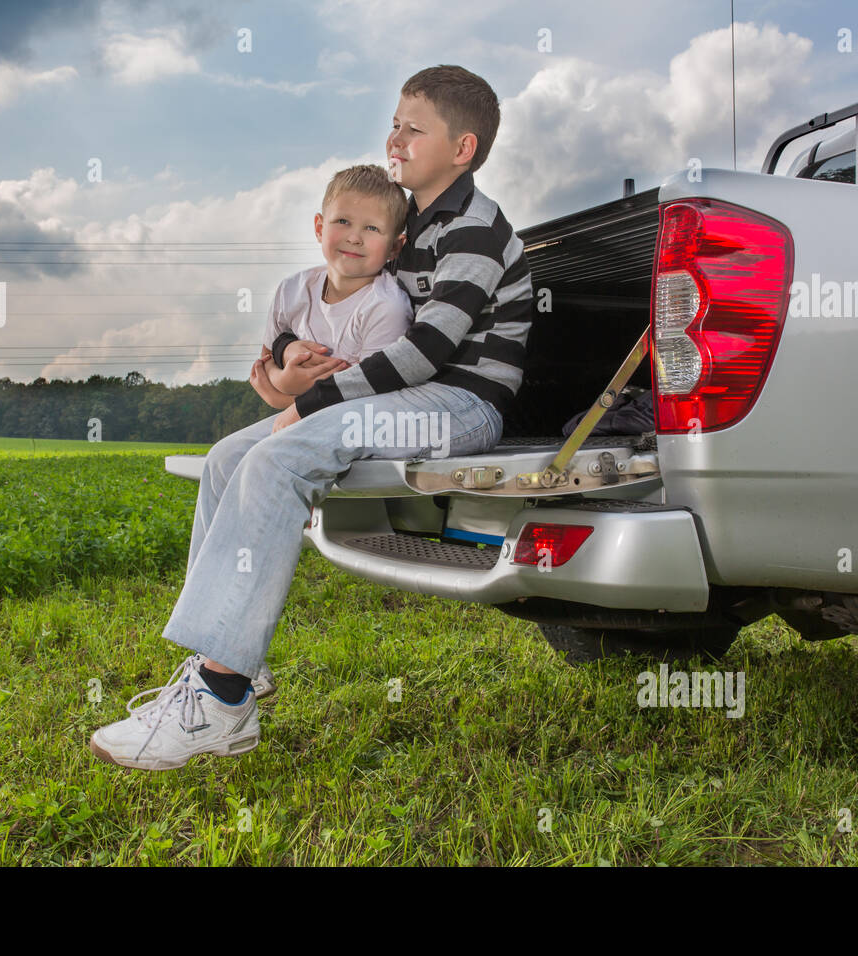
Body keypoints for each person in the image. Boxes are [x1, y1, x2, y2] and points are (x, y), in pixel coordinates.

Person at [90, 64, 534, 771]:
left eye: (413, 129)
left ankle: (221, 701)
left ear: (463, 149)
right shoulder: (403, 222)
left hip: (460, 406)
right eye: (393, 122)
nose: (394, 137)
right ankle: (230, 660)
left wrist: (307, 403)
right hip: (399, 400)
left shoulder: (476, 229)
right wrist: (288, 362)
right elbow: (332, 309)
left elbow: (426, 352)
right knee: (229, 458)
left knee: (277, 455)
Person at [248, 164, 414, 414]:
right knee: (224, 452)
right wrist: (284, 380)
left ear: (395, 247)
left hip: (351, 428)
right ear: (319, 227)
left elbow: (368, 405)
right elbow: (264, 364)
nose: (354, 238)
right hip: (298, 418)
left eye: (372, 228)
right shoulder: (291, 290)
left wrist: (281, 398)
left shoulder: (386, 307)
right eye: (343, 221)